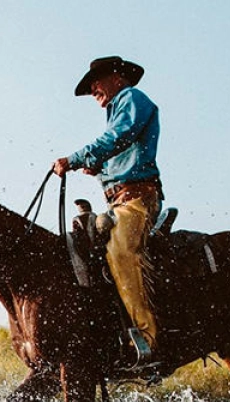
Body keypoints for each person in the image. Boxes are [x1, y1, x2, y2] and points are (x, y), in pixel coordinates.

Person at [53, 56, 162, 365]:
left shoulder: (132, 99)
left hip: (138, 201)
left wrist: (75, 159)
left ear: (115, 76)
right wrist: (98, 168)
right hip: (118, 200)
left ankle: (148, 339)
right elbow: (120, 152)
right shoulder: (117, 110)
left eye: (95, 84)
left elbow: (119, 137)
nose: (93, 93)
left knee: (122, 251)